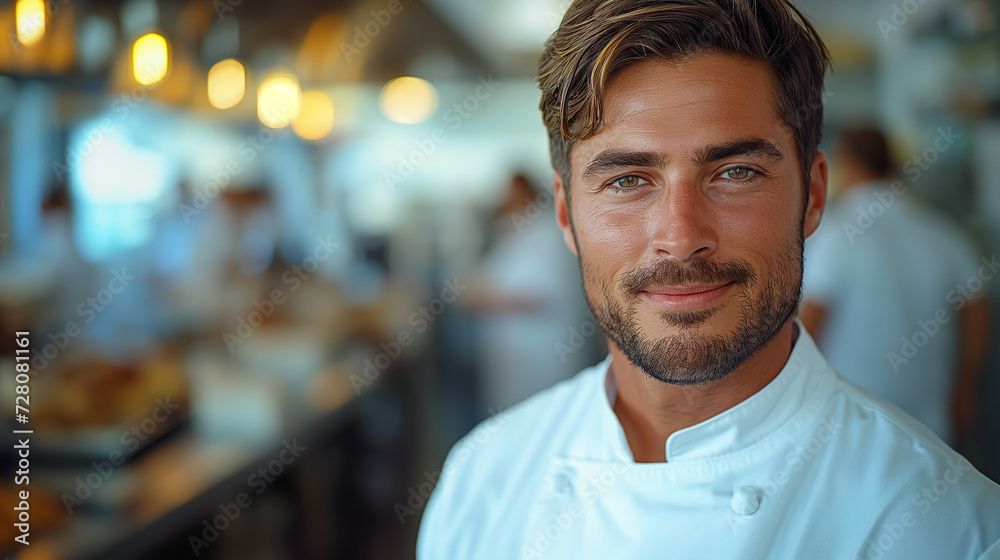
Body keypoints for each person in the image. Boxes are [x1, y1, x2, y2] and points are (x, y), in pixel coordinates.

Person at [416, 0, 1000, 558]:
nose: (680, 236)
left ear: (813, 196)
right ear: (567, 214)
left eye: (735, 172)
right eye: (627, 180)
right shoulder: (482, 482)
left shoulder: (951, 529)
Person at [800, 127, 991, 445]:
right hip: (929, 424)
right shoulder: (942, 231)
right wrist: (965, 386)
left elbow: (809, 326)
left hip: (851, 426)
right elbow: (978, 308)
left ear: (846, 163)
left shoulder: (833, 234)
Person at [465, 173, 594, 411]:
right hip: (509, 353)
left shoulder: (546, 233)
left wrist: (487, 301)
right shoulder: (508, 230)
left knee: (543, 415)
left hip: (539, 350)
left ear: (527, 193)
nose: (505, 199)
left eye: (511, 193)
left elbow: (544, 297)